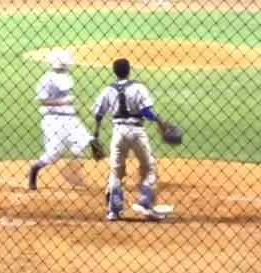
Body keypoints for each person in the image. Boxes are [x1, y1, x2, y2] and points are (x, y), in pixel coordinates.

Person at [92, 58, 175, 221]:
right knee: (149, 168)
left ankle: (114, 211)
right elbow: (145, 111)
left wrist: (96, 135)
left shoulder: (108, 90)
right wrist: (160, 122)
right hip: (137, 132)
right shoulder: (138, 87)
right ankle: (145, 201)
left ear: (114, 72)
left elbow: (99, 114)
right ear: (129, 70)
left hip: (118, 133)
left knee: (117, 170)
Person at [28, 49, 90, 191]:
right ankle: (34, 169)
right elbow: (41, 101)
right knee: (54, 153)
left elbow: (67, 100)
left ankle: (74, 172)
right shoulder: (46, 79)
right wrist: (64, 104)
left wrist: (73, 109)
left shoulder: (68, 78)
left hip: (71, 119)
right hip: (53, 120)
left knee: (84, 141)